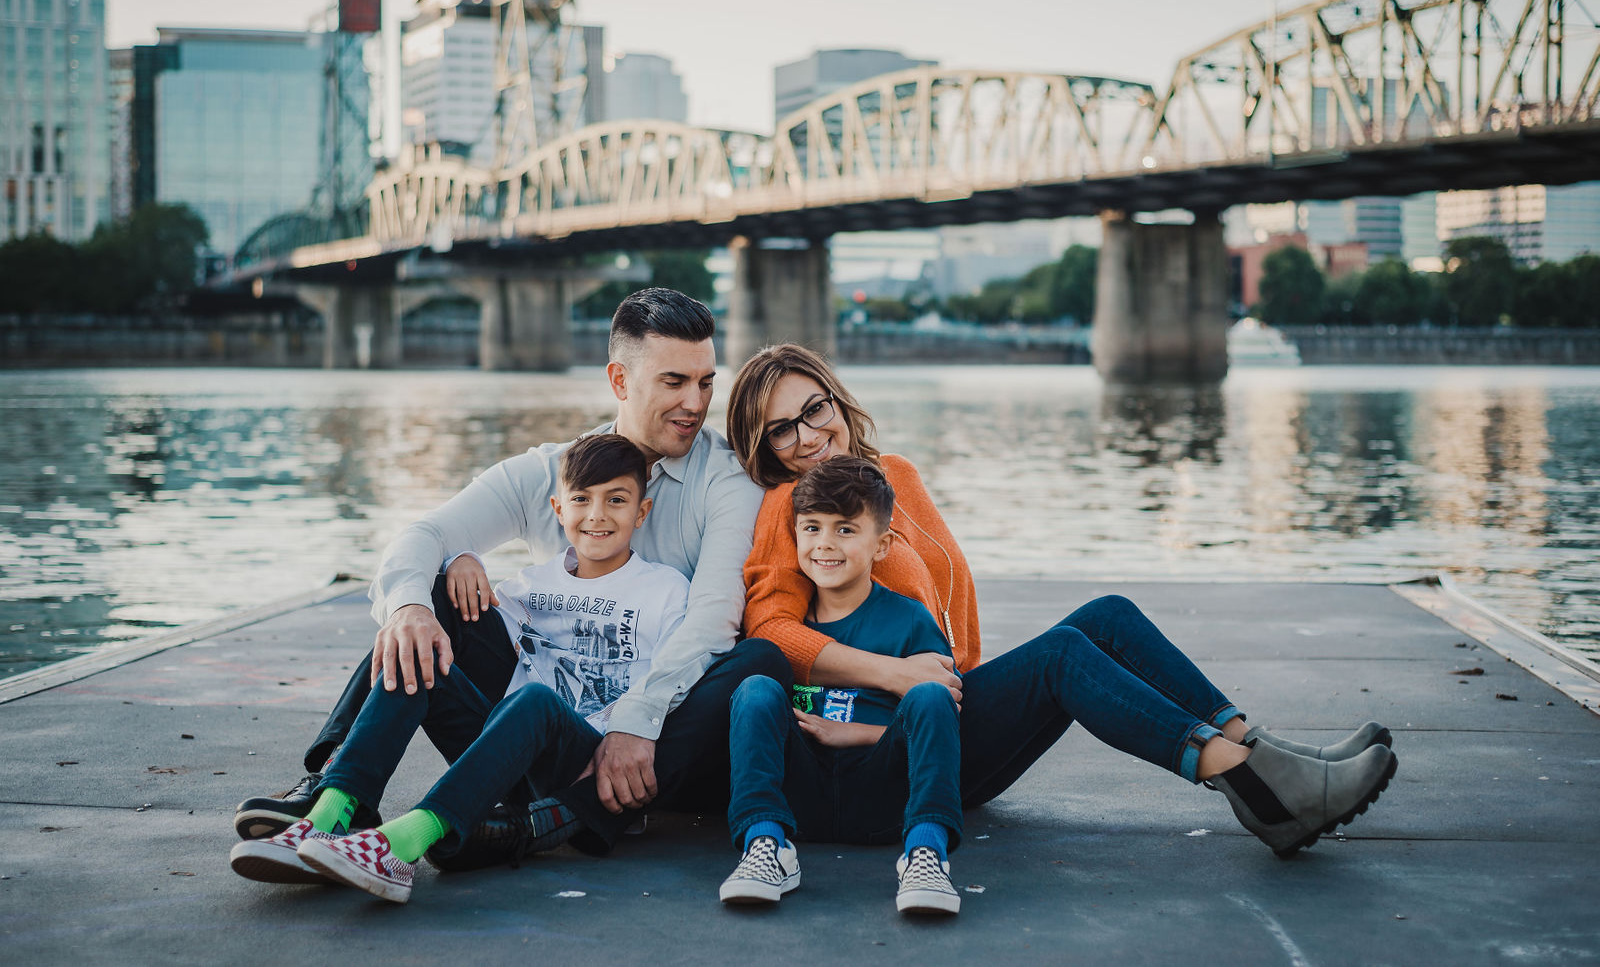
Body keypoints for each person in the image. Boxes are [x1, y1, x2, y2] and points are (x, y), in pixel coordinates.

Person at [726, 343, 1397, 860]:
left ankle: (1264, 751)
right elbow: (772, 632)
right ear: (765, 447)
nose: (807, 436)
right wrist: (893, 674)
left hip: (950, 713)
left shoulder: (895, 476)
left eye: (814, 409)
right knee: (1062, 656)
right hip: (891, 747)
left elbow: (951, 611)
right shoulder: (791, 509)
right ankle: (1252, 785)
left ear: (837, 401)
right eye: (781, 430)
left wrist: (969, 690)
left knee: (1108, 615)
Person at [232, 288, 781, 864]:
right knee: (430, 605)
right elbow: (425, 535)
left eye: (706, 382)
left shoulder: (726, 481)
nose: (695, 403)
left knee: (754, 658)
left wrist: (635, 723)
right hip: (528, 726)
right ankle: (339, 794)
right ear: (620, 380)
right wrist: (414, 603)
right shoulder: (554, 470)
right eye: (674, 382)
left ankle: (550, 819)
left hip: (653, 743)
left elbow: (713, 620)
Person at [231, 434, 688, 901]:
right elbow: (478, 639)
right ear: (557, 508)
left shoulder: (665, 591)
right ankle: (330, 813)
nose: (597, 515)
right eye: (581, 499)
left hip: (586, 767)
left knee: (535, 699)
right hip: (505, 764)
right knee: (420, 645)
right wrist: (459, 560)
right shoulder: (529, 585)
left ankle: (399, 846)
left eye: (616, 500)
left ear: (642, 512)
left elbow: (677, 681)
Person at [720, 456, 963, 916]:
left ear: (882, 545)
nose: (825, 544)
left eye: (845, 529)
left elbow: (942, 721)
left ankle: (926, 854)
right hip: (799, 801)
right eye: (811, 528)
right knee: (754, 689)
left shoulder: (909, 620)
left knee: (930, 694)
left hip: (883, 799)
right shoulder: (792, 629)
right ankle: (765, 846)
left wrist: (856, 733)